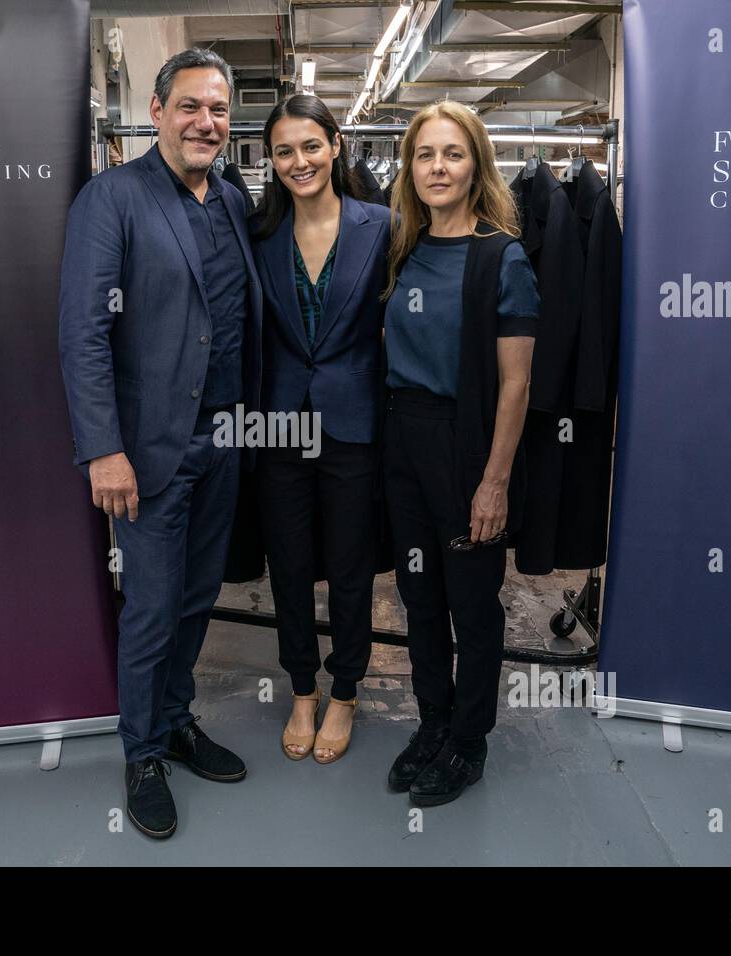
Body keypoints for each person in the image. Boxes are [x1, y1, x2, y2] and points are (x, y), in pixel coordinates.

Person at [58, 48, 262, 840]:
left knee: (198, 595)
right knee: (150, 608)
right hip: (147, 452)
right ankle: (142, 751)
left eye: (218, 109)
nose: (205, 122)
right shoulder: (112, 198)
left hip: (224, 437)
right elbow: (83, 335)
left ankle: (176, 720)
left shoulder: (235, 201)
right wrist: (103, 449)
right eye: (190, 106)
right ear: (157, 109)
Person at [380, 101, 537, 807]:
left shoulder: (501, 258)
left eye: (452, 153)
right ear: (409, 168)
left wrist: (493, 482)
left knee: (472, 605)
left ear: (477, 165)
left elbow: (516, 383)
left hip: (464, 443)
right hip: (402, 439)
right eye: (424, 155)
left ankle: (469, 741)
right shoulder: (403, 247)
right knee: (418, 597)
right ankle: (433, 722)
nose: (437, 167)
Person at [248, 95, 388, 764]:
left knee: (353, 571)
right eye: (283, 151)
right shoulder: (259, 235)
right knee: (290, 568)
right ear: (270, 161)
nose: (297, 161)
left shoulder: (383, 226)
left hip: (354, 424)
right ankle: (302, 687)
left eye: (310, 145)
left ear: (336, 145)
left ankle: (346, 690)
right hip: (279, 428)